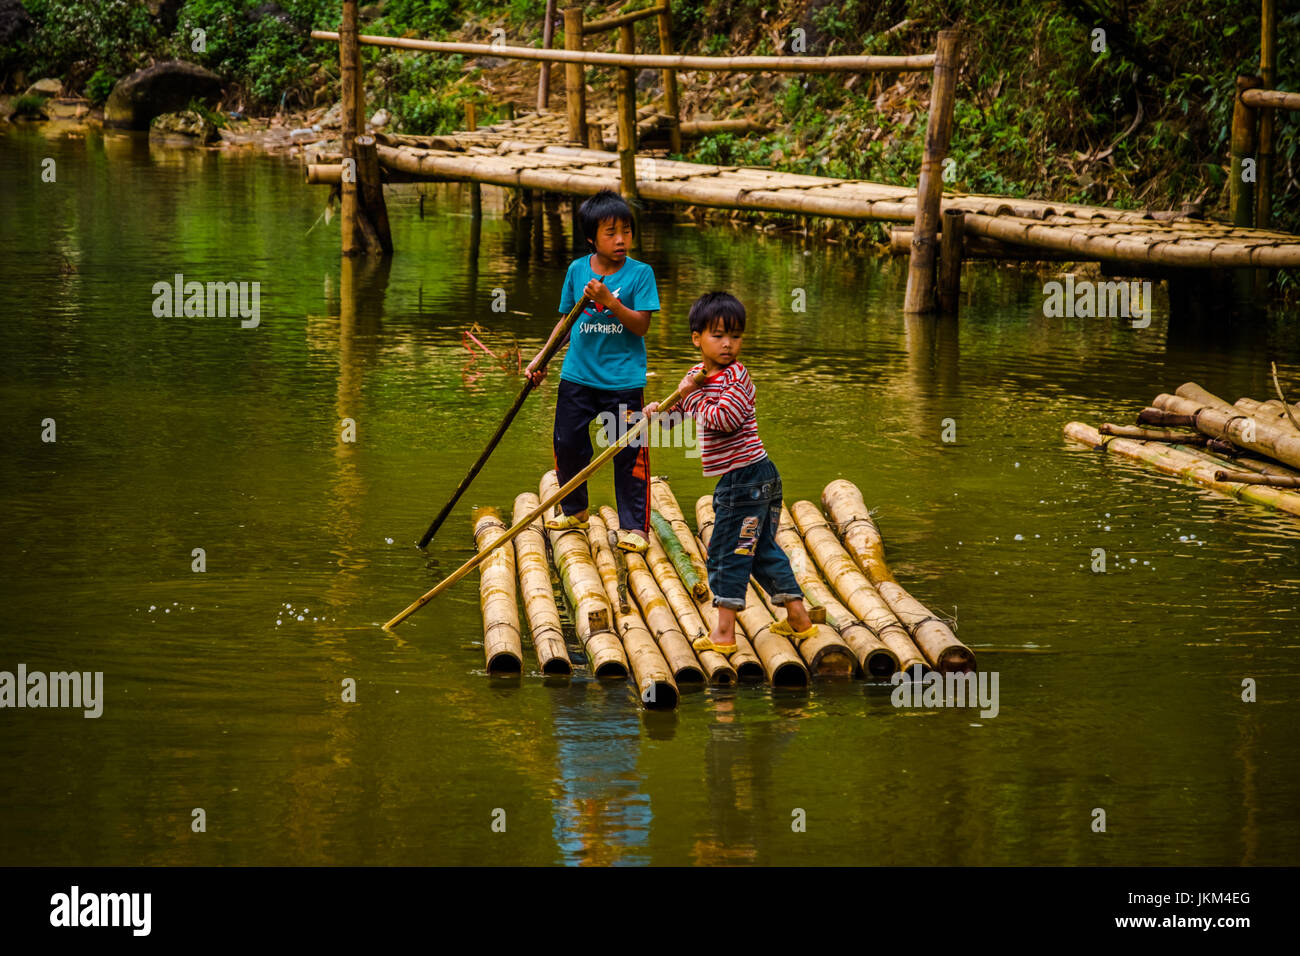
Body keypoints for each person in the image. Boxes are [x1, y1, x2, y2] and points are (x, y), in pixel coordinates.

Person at [644, 292, 817, 656]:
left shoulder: (736, 379)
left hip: (747, 481)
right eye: (718, 336)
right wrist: (659, 412)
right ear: (697, 338)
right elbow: (683, 415)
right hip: (749, 479)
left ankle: (723, 634)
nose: (727, 344)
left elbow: (722, 420)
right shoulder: (697, 376)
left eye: (735, 336)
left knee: (727, 553)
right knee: (760, 550)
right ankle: (800, 620)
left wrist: (690, 396)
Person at [525, 190, 659, 553]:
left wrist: (610, 302)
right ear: (590, 238)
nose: (620, 240)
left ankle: (635, 527)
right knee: (567, 444)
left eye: (626, 232)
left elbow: (641, 327)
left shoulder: (640, 275)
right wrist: (542, 359)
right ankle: (575, 510)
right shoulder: (577, 270)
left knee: (630, 453)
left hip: (623, 381)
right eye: (610, 232)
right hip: (577, 377)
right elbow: (566, 324)